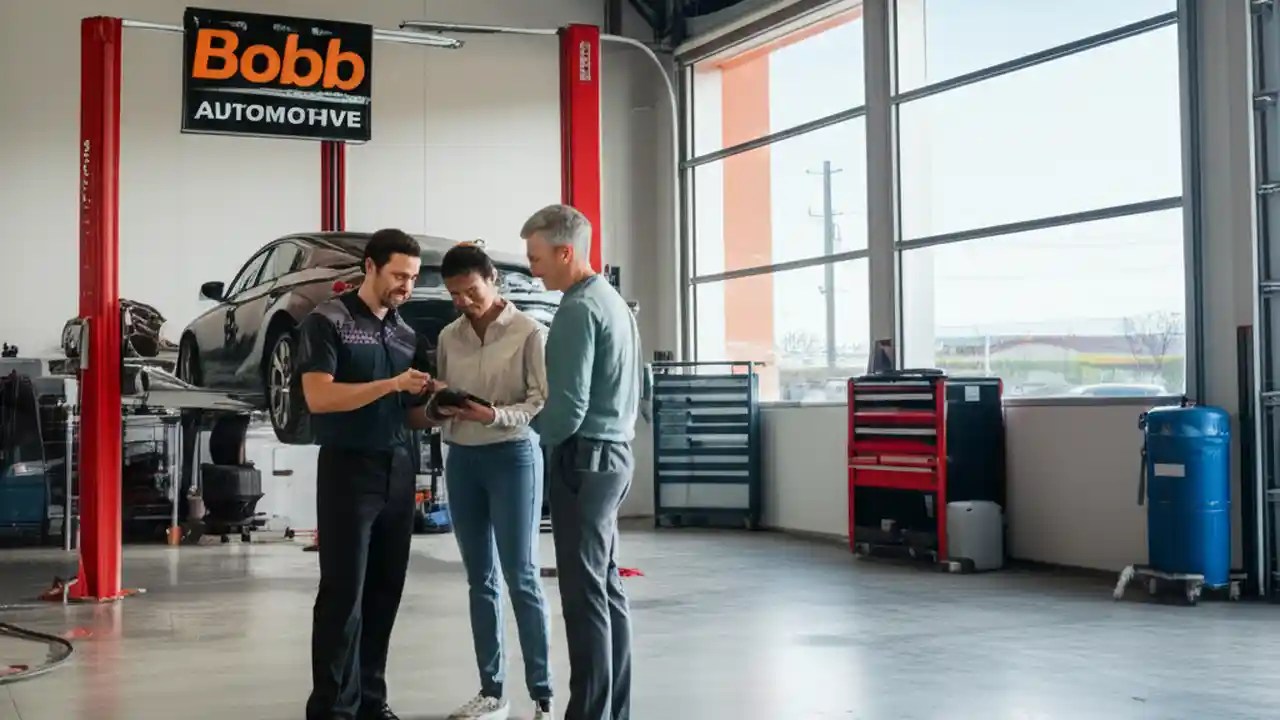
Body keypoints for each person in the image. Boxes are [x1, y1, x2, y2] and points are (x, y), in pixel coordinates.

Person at [298, 228, 434, 720]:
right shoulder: (326, 322)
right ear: (370, 267)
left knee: (383, 592)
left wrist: (438, 410)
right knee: (343, 594)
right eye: (399, 275)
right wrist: (391, 383)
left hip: (399, 469)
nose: (407, 286)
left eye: (414, 278)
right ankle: (334, 708)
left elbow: (410, 412)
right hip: (347, 470)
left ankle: (372, 703)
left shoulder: (405, 332)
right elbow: (319, 397)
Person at [521, 204, 642, 720]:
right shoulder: (611, 301)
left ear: (565, 251)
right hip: (614, 457)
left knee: (583, 595)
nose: (533, 268)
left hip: (585, 460)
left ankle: (588, 714)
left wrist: (521, 428)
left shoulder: (576, 309)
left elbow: (566, 408)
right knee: (605, 586)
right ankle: (613, 710)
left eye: (537, 257)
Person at [428, 243, 556, 720]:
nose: (464, 301)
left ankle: (542, 695)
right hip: (461, 459)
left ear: (493, 281)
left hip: (513, 457)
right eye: (455, 294)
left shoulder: (529, 333)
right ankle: (491, 692)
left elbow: (539, 401)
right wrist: (440, 404)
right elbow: (440, 397)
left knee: (520, 577)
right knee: (479, 580)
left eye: (471, 291)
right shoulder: (448, 336)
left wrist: (494, 413)